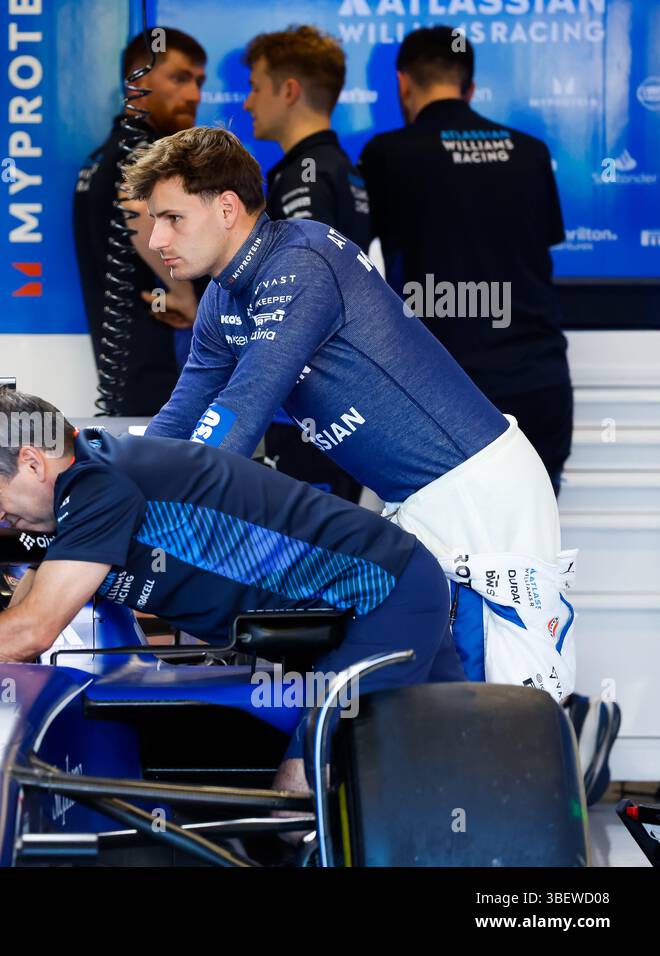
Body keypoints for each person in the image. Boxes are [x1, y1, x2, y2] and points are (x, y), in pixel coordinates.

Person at [123, 126, 576, 703]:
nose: (157, 237)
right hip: (415, 497)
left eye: (172, 218)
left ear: (228, 208)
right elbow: (179, 420)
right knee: (415, 694)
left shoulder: (301, 261)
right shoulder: (221, 297)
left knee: (485, 700)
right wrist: (107, 479)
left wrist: (127, 511)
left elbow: (239, 417)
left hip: (477, 491)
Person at [0, 385, 464, 794]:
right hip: (368, 603)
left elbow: (34, 629)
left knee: (302, 798)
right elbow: (25, 608)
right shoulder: (86, 488)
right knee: (455, 773)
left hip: (383, 596)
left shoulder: (97, 486)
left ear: (32, 462)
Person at [358, 26, 573, 492]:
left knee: (442, 556)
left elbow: (353, 257)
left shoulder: (386, 155)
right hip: (539, 382)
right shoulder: (531, 153)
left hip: (441, 392)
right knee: (532, 549)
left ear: (402, 83)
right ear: (470, 87)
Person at [242, 24, 367, 502]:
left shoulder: (306, 178)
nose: (249, 102)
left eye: (256, 88)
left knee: (300, 561)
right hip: (339, 401)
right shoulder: (344, 169)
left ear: (289, 90)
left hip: (313, 403)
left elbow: (302, 297)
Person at [73, 27, 207, 414]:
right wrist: (185, 296)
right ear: (137, 82)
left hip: (124, 368)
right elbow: (138, 215)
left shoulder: (100, 158)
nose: (194, 95)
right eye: (180, 78)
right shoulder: (150, 156)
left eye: (199, 81)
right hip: (161, 365)